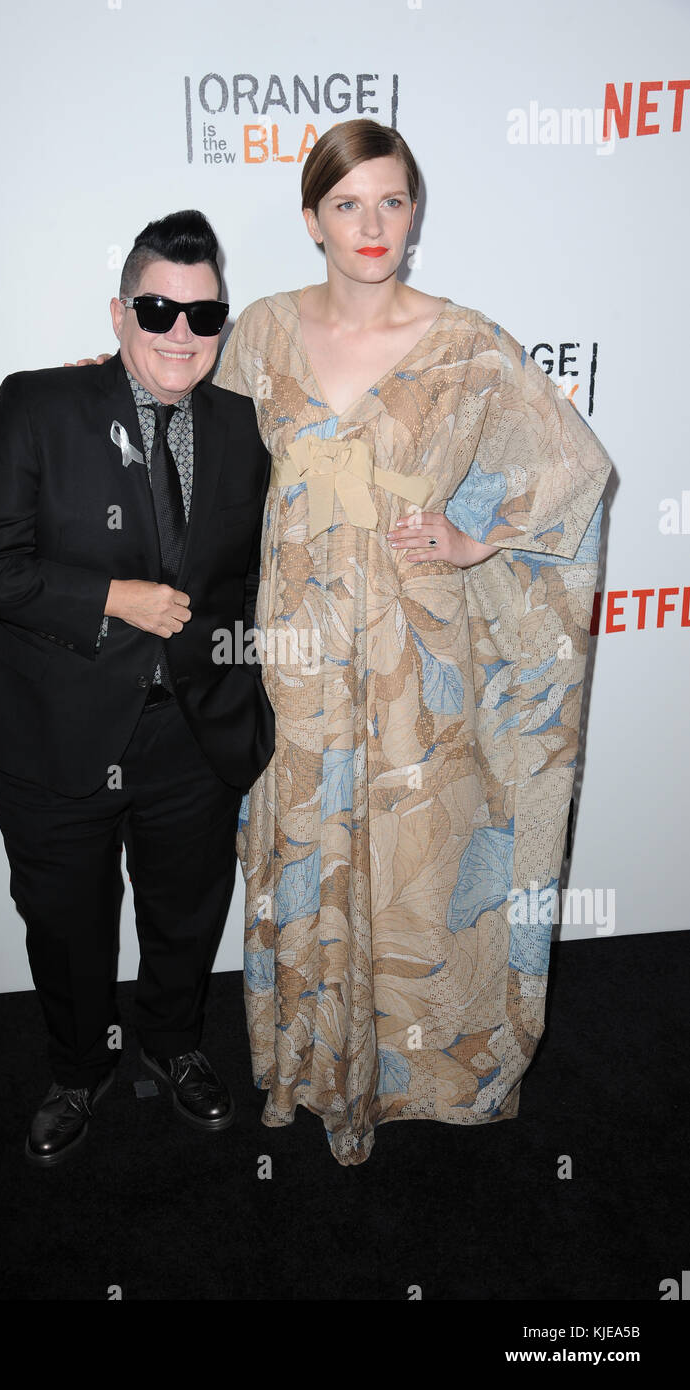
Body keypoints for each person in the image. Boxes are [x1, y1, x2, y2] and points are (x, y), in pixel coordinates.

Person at [212, 119, 612, 1166]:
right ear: (312, 220)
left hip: (415, 651)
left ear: (416, 209)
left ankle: (421, 1072)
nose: (373, 224)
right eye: (348, 204)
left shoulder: (467, 340)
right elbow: (199, 465)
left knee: (417, 860)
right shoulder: (258, 332)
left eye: (392, 200)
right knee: (304, 845)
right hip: (295, 649)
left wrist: (479, 539)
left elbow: (570, 469)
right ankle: (311, 1065)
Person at [0, 210, 273, 1166]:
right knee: (66, 924)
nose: (181, 334)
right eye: (157, 309)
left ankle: (174, 1046)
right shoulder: (40, 406)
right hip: (56, 730)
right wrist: (111, 599)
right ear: (120, 312)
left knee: (184, 914)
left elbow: (259, 578)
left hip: (192, 734)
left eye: (203, 315)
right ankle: (75, 1068)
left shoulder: (247, 427)